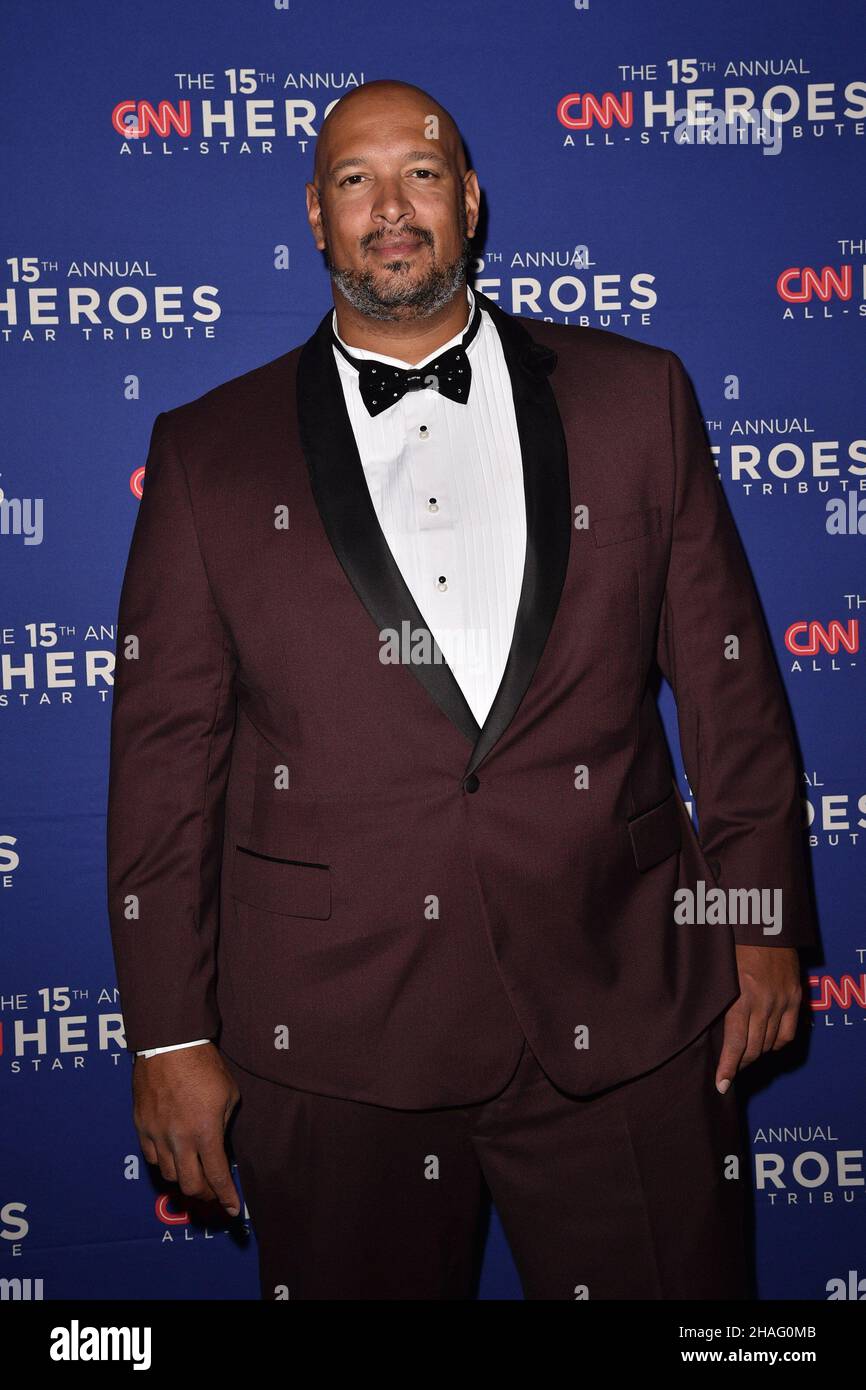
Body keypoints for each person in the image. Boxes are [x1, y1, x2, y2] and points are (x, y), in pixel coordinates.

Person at [106, 78, 819, 1300]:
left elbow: (729, 685)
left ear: (471, 200)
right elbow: (165, 766)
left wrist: (756, 918)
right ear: (317, 222)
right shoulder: (205, 452)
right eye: (354, 181)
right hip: (333, 1044)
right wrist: (171, 1031)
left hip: (628, 1005)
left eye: (421, 174)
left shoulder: (634, 396)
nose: (391, 207)